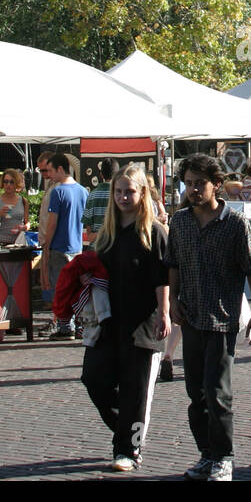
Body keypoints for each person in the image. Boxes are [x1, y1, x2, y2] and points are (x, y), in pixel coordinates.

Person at [166, 153, 251, 482]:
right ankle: (206, 454)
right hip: (191, 318)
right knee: (196, 393)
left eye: (200, 183)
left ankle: (224, 457)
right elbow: (173, 264)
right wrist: (172, 301)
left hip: (222, 320)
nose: (193, 190)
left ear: (216, 185)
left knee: (217, 392)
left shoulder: (234, 223)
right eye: (188, 183)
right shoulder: (180, 222)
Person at [79, 164, 170, 472]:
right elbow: (96, 270)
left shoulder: (154, 232)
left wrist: (164, 314)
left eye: (129, 191)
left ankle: (128, 450)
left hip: (143, 321)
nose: (123, 197)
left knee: (135, 387)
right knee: (94, 377)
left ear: (142, 193)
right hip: (108, 319)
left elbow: (163, 279)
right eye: (118, 192)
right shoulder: (108, 233)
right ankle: (126, 427)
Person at [40, 152, 88, 339]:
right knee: (76, 289)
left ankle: (65, 327)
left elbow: (52, 223)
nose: (49, 175)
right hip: (77, 247)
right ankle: (79, 325)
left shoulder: (58, 191)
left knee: (61, 290)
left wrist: (46, 245)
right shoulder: (83, 191)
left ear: (60, 169)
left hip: (59, 247)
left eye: (50, 170)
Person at [0, 168, 29, 245]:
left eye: (12, 182)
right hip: (1, 243)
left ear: (16, 183)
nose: (8, 185)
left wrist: (24, 227)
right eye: (6, 181)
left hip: (19, 243)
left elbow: (27, 223)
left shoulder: (23, 201)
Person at [84, 159, 118, 239]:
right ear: (117, 175)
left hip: (96, 244)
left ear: (101, 175)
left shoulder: (91, 196)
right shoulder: (120, 195)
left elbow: (89, 234)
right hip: (116, 244)